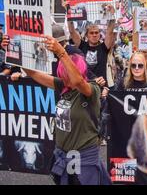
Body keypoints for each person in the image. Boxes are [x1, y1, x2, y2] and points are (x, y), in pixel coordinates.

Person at [5, 35, 110, 185]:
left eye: (67, 73)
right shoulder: (63, 85)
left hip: (84, 157)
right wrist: (13, 50)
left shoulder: (91, 90)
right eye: (63, 73)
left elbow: (78, 81)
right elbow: (33, 73)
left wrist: (61, 52)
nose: (64, 77)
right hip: (63, 154)